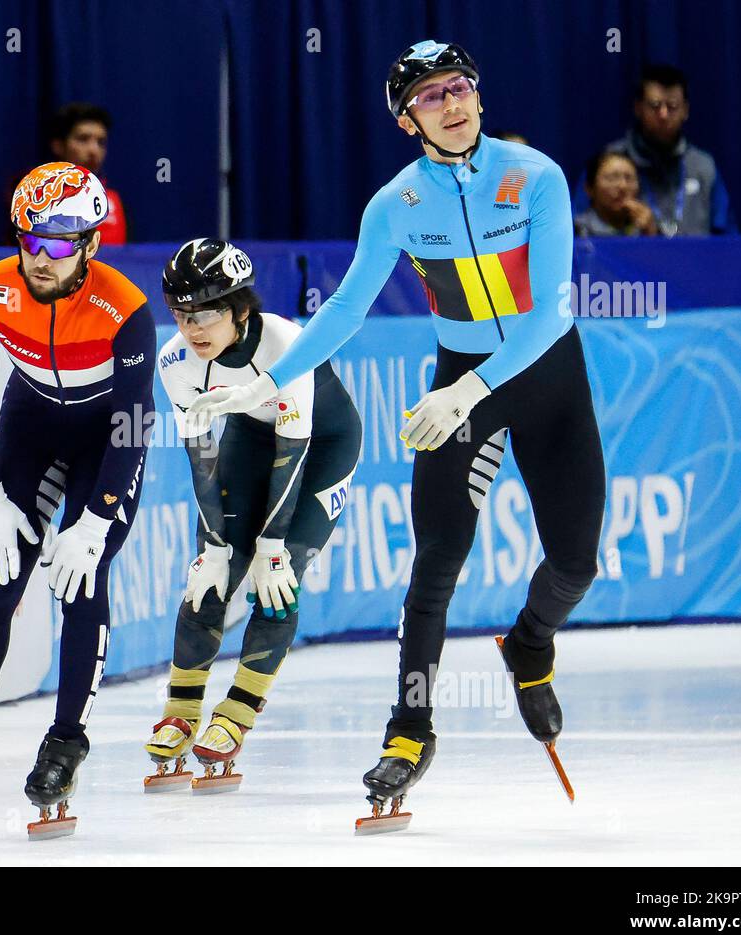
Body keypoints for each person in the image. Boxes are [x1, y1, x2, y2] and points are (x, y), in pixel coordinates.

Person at [186, 41, 606, 829]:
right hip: (462, 380)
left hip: (543, 376)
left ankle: (530, 644)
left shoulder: (536, 177)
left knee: (577, 563)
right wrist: (268, 381)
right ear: (409, 120)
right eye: (431, 97)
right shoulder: (395, 205)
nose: (452, 104)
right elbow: (346, 309)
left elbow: (550, 313)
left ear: (478, 94)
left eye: (460, 87)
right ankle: (409, 732)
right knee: (438, 562)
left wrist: (469, 390)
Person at [0, 162, 156, 839]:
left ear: (90, 244)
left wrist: (99, 514)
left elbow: (134, 420)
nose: (40, 258)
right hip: (27, 426)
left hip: (104, 439)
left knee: (82, 582)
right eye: (29, 241)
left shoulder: (125, 307)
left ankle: (65, 743)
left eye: (58, 244)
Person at [142, 239, 362, 792]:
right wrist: (215, 546)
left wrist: (272, 547)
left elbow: (293, 453)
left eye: (207, 311)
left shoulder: (288, 342)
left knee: (277, 580)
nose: (193, 327)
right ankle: (181, 709)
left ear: (241, 308)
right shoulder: (175, 362)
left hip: (320, 448)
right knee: (208, 579)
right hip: (248, 440)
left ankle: (237, 713)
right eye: (181, 312)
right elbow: (202, 459)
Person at [575, 64, 735, 236]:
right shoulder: (610, 162)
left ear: (685, 110)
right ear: (638, 108)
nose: (663, 114)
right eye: (655, 105)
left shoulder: (703, 167)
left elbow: (729, 240)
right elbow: (577, 226)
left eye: (672, 106)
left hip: (696, 262)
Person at [48, 103, 127, 244]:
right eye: (83, 139)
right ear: (58, 146)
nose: (93, 150)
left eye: (101, 142)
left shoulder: (114, 200)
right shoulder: (36, 200)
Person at [574, 151, 659, 237]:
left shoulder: (648, 227)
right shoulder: (576, 231)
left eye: (629, 178)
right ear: (590, 188)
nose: (623, 186)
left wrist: (652, 233)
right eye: (612, 178)